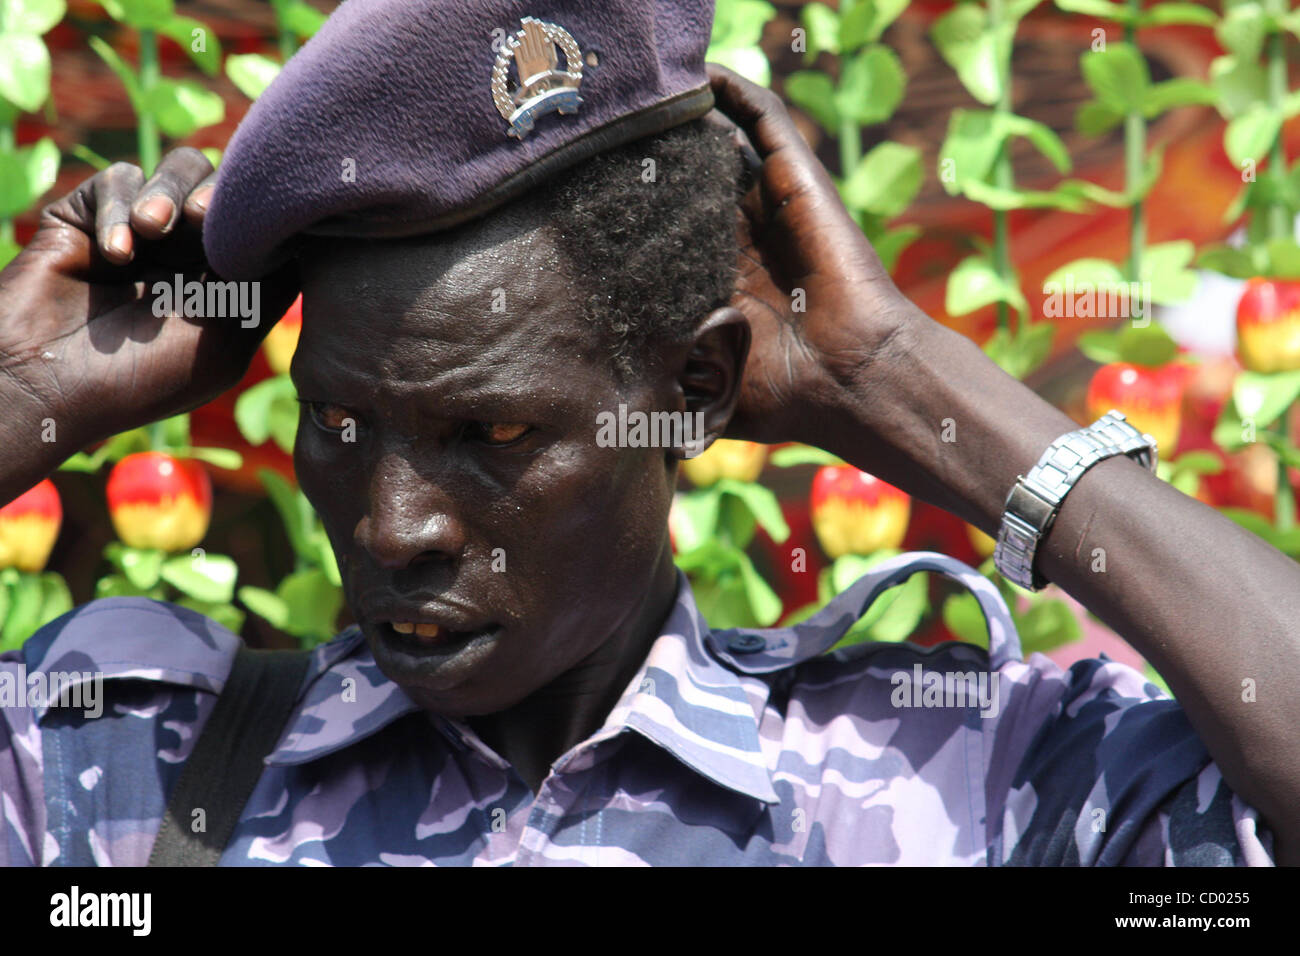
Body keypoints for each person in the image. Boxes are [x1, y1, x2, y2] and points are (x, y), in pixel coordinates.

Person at [0, 0, 1295, 866]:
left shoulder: (954, 777)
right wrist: (25, 391)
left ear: (690, 392)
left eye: (493, 432)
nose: (395, 524)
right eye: (337, 423)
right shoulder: (127, 763)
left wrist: (893, 371)